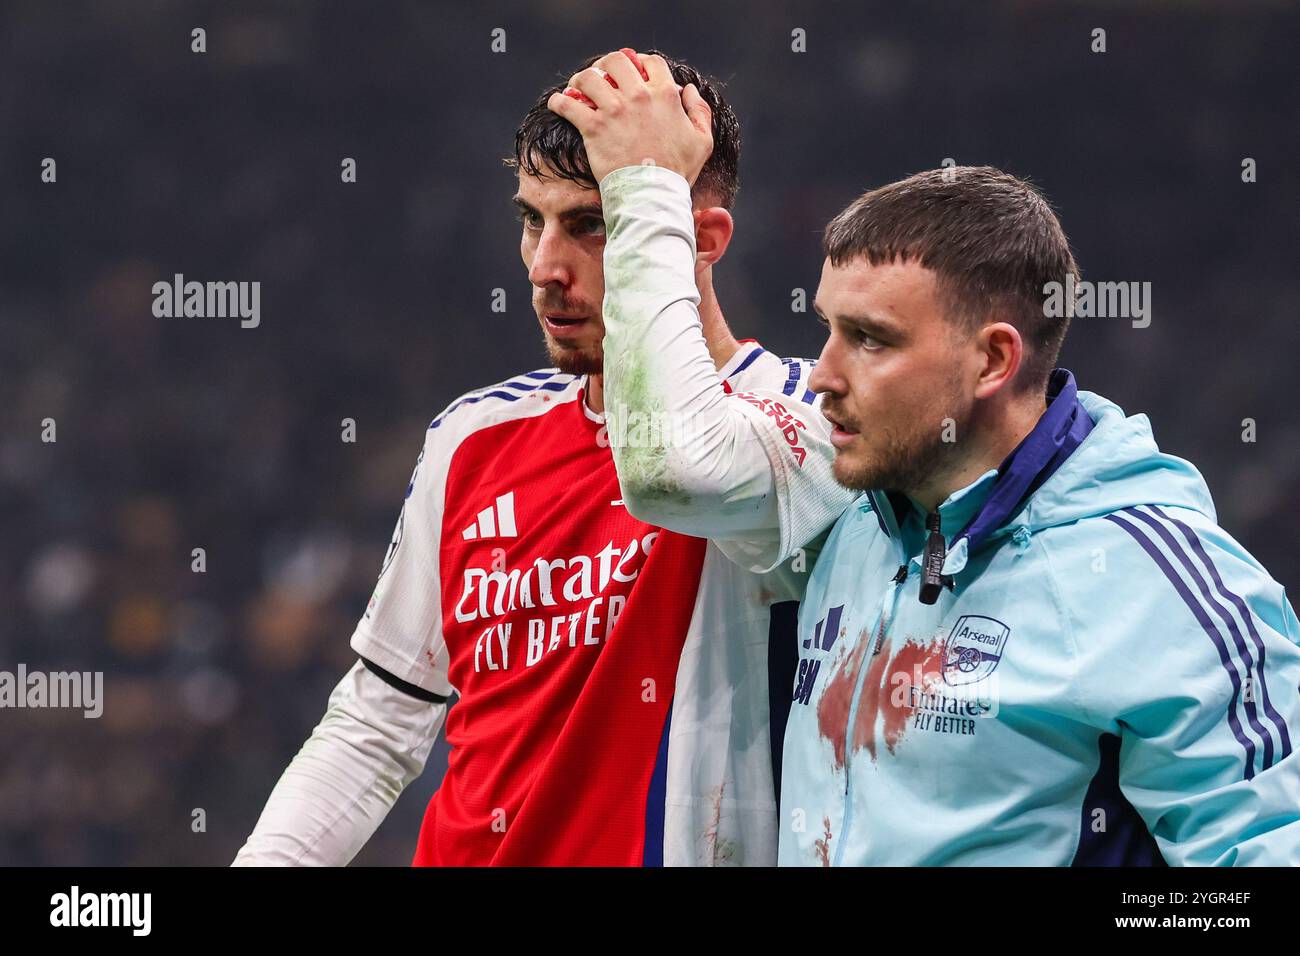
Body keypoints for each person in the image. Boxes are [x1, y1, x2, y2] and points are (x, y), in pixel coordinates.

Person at [554, 49, 1300, 865]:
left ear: (991, 362)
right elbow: (670, 461)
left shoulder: (1154, 582)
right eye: (830, 329)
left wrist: (648, 188)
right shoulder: (851, 511)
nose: (826, 376)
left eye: (871, 341)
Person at [233, 50, 852, 867]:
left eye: (593, 224)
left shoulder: (812, 421)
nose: (544, 269)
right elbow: (378, 721)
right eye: (533, 219)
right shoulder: (471, 440)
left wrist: (648, 189)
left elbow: (673, 468)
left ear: (699, 238)